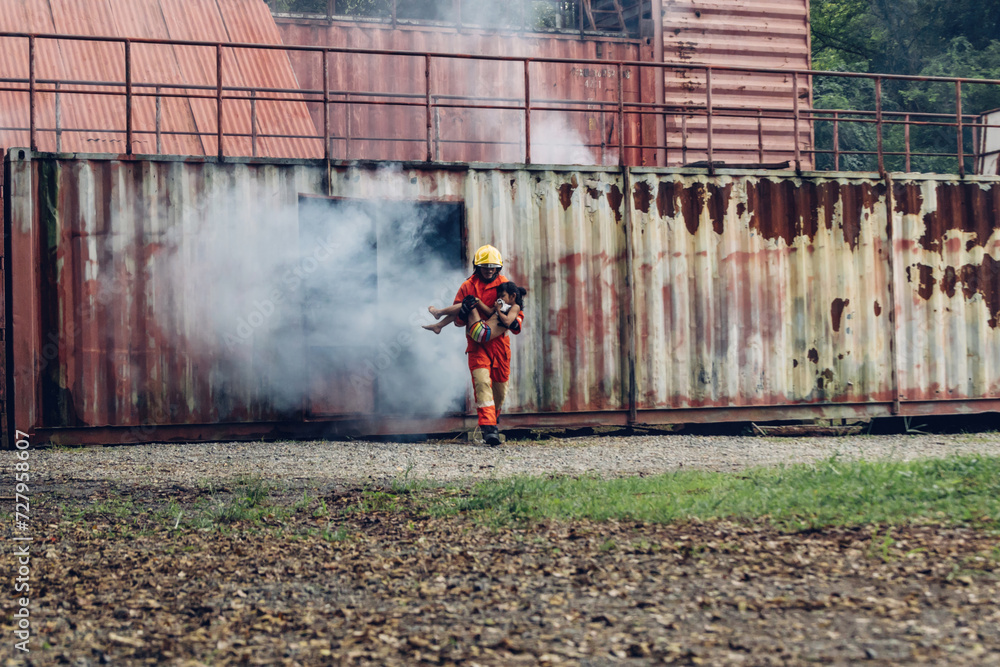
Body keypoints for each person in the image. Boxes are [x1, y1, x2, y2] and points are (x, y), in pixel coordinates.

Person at [438, 245, 525, 446]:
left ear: (499, 267)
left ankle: (493, 418)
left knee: (500, 389)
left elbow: (517, 313)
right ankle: (489, 429)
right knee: (482, 382)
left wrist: (514, 322)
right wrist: (463, 312)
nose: (489, 270)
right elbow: (459, 321)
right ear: (477, 266)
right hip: (477, 344)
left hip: (500, 345)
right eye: (485, 266)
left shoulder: (505, 285)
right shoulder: (467, 286)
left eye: (493, 267)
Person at [422, 280, 525, 340]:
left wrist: (498, 310)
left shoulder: (515, 307)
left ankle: (439, 313)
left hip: (483, 332)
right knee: (470, 304)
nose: (500, 299)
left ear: (513, 296)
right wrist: (479, 301)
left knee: (469, 304)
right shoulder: (503, 306)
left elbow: (507, 322)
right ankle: (438, 326)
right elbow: (489, 312)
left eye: (503, 296)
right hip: (478, 333)